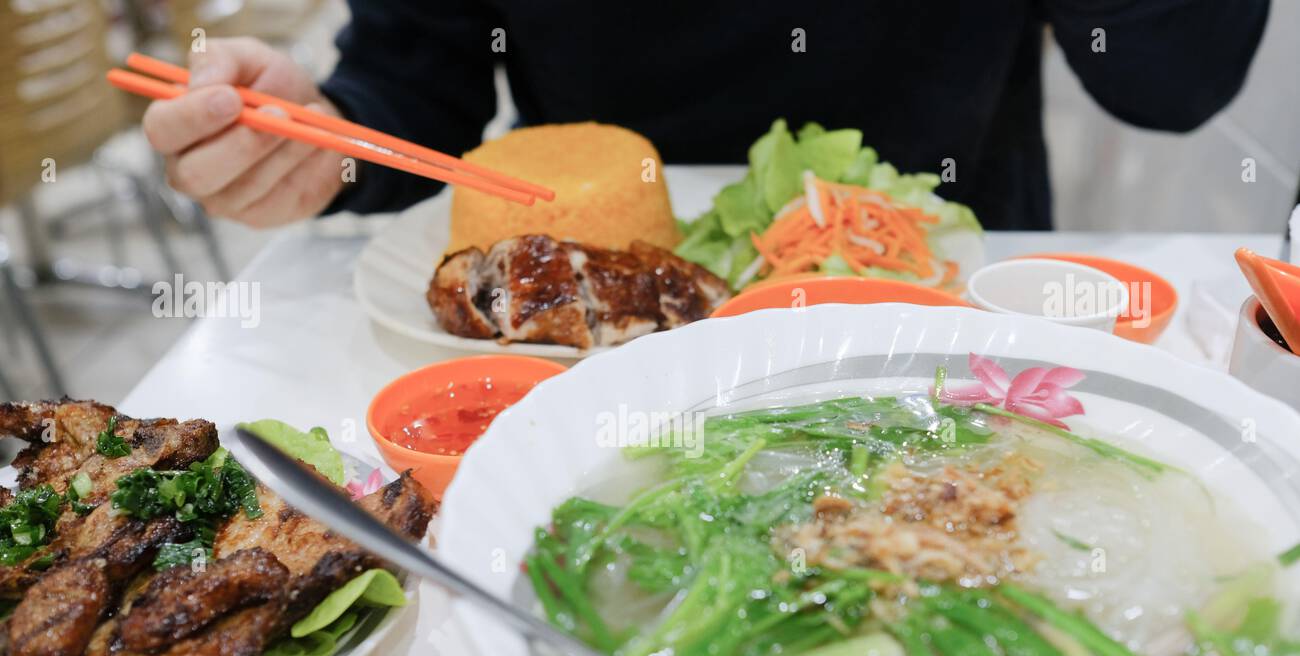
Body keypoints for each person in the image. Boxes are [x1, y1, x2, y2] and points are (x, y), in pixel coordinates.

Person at [144, 0, 1270, 231]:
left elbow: (1164, 79)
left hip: (948, 288)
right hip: (597, 318)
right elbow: (414, 85)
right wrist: (320, 140)